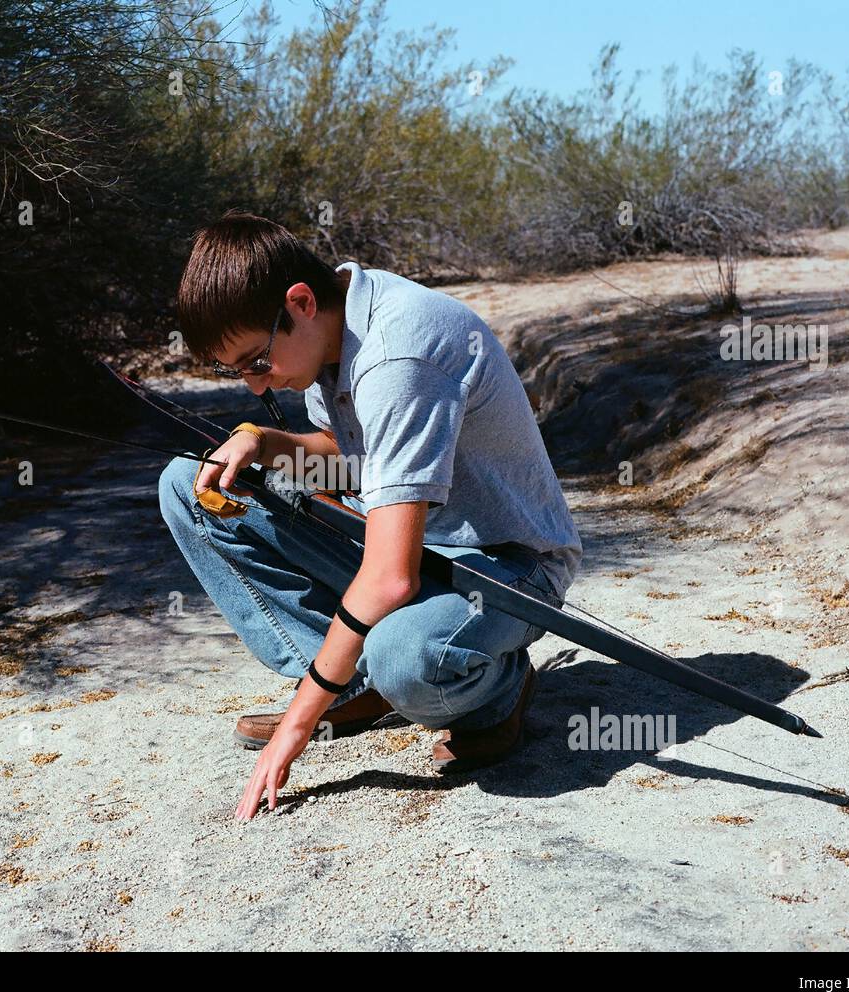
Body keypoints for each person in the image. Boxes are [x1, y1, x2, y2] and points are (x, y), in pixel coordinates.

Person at [157, 211, 582, 821]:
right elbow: (356, 458)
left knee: (407, 658)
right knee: (189, 482)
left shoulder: (396, 354)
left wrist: (295, 726)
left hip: (505, 566)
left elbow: (390, 580)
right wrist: (263, 440)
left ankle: (497, 689)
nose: (255, 385)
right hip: (407, 540)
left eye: (256, 362)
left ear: (299, 302)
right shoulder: (333, 324)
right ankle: (352, 686)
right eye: (240, 371)